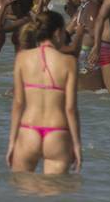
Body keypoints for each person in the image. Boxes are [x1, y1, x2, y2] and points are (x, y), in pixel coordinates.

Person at [7, 12, 82, 174]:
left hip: (28, 129)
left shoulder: (22, 58)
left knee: (22, 193)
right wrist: (76, 145)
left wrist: (12, 142)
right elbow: (70, 108)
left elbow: (18, 104)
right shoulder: (69, 62)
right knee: (54, 193)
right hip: (57, 132)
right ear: (57, 32)